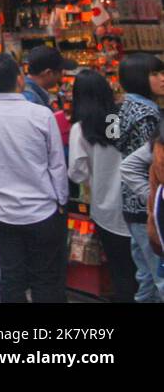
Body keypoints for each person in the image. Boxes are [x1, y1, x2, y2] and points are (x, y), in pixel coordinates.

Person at [0, 53, 68, 303]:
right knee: (45, 279)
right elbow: (57, 164)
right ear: (19, 78)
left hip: (5, 212)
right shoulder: (41, 115)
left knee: (12, 278)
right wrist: (61, 201)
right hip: (43, 209)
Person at [67, 69, 136, 303]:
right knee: (143, 267)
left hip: (106, 207)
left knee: (120, 269)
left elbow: (77, 172)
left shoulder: (81, 129)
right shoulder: (121, 117)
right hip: (136, 203)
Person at [115, 51, 164, 301]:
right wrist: (153, 198)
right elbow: (151, 162)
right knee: (158, 276)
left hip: (130, 202)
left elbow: (112, 137)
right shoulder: (149, 115)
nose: (162, 78)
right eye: (154, 74)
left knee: (146, 274)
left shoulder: (120, 107)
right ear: (139, 78)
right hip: (148, 207)